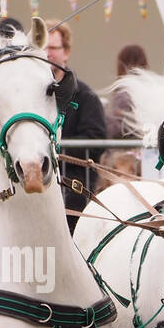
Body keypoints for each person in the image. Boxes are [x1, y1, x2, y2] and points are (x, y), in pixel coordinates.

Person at [43, 22, 105, 231]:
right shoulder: (29, 95)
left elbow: (96, 140)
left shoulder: (85, 96)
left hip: (74, 180)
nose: (46, 53)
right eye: (41, 47)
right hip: (37, 176)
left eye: (52, 48)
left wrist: (55, 149)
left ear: (66, 52)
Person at [100, 44, 149, 186]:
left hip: (125, 157)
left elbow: (118, 126)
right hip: (142, 155)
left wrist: (102, 117)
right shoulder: (148, 90)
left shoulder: (125, 92)